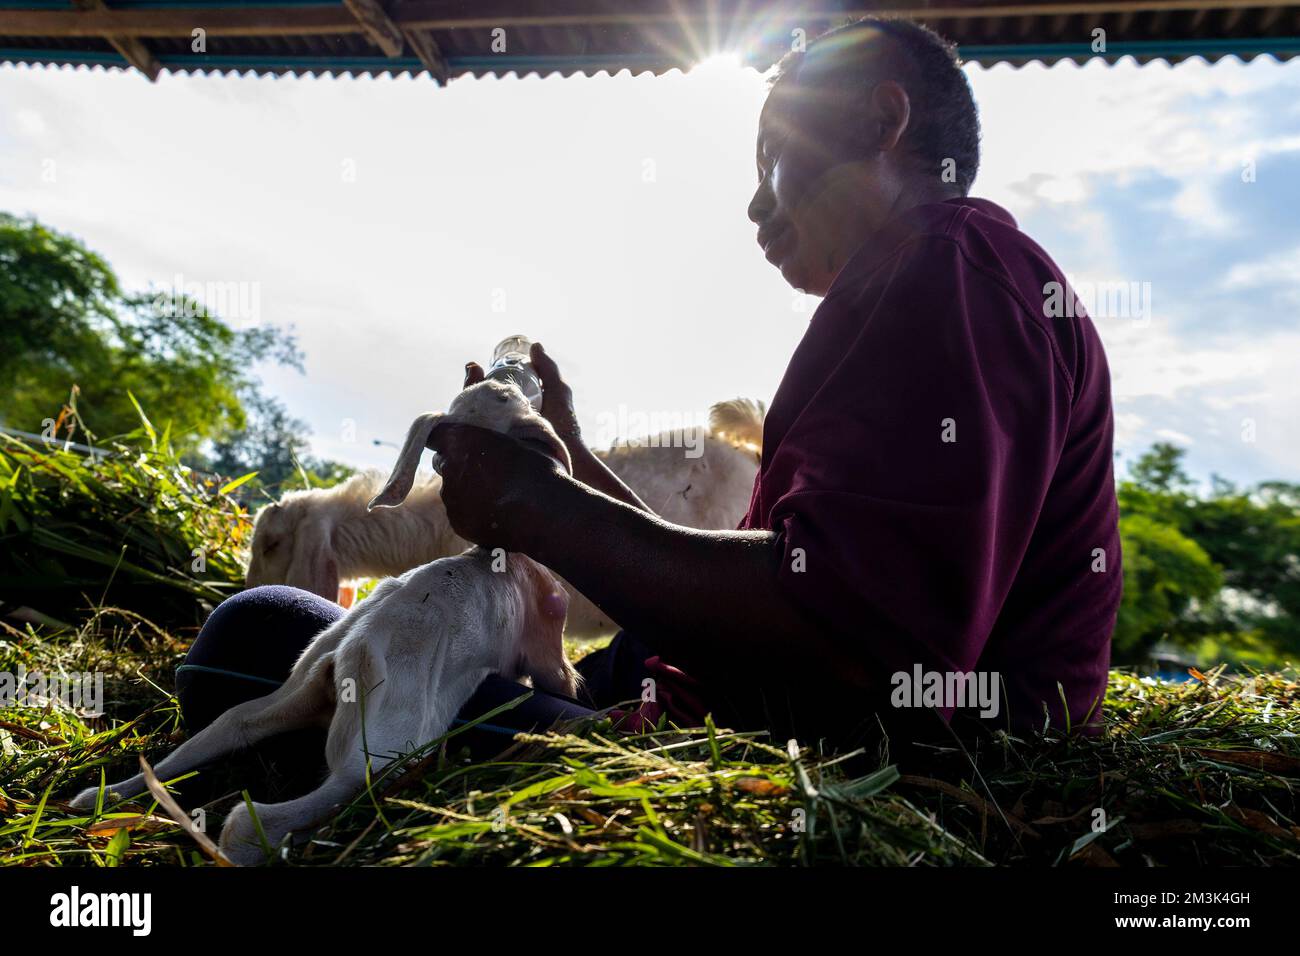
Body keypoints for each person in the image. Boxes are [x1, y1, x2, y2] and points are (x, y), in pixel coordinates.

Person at [180, 17, 1121, 762]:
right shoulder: (926, 285)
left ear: (882, 122)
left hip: (826, 757)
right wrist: (576, 461)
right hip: (715, 706)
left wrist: (535, 507)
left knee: (252, 641)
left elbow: (869, 647)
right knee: (293, 649)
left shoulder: (951, 273)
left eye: (771, 157)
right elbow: (776, 577)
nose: (756, 200)